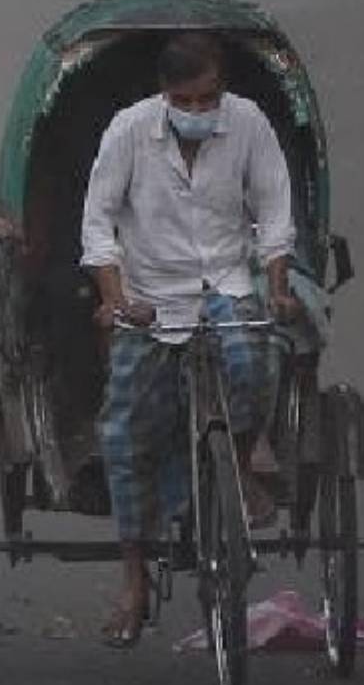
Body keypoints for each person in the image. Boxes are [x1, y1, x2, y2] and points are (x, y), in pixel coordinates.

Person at [78, 31, 301, 648]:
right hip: (151, 296)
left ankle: (240, 464)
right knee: (122, 432)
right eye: (186, 102)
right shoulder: (129, 131)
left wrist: (278, 288)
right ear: (165, 93)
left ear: (222, 88)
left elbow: (274, 212)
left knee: (256, 365)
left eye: (208, 99)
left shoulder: (248, 124)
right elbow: (97, 223)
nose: (198, 112)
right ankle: (133, 578)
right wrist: (114, 297)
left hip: (226, 283)